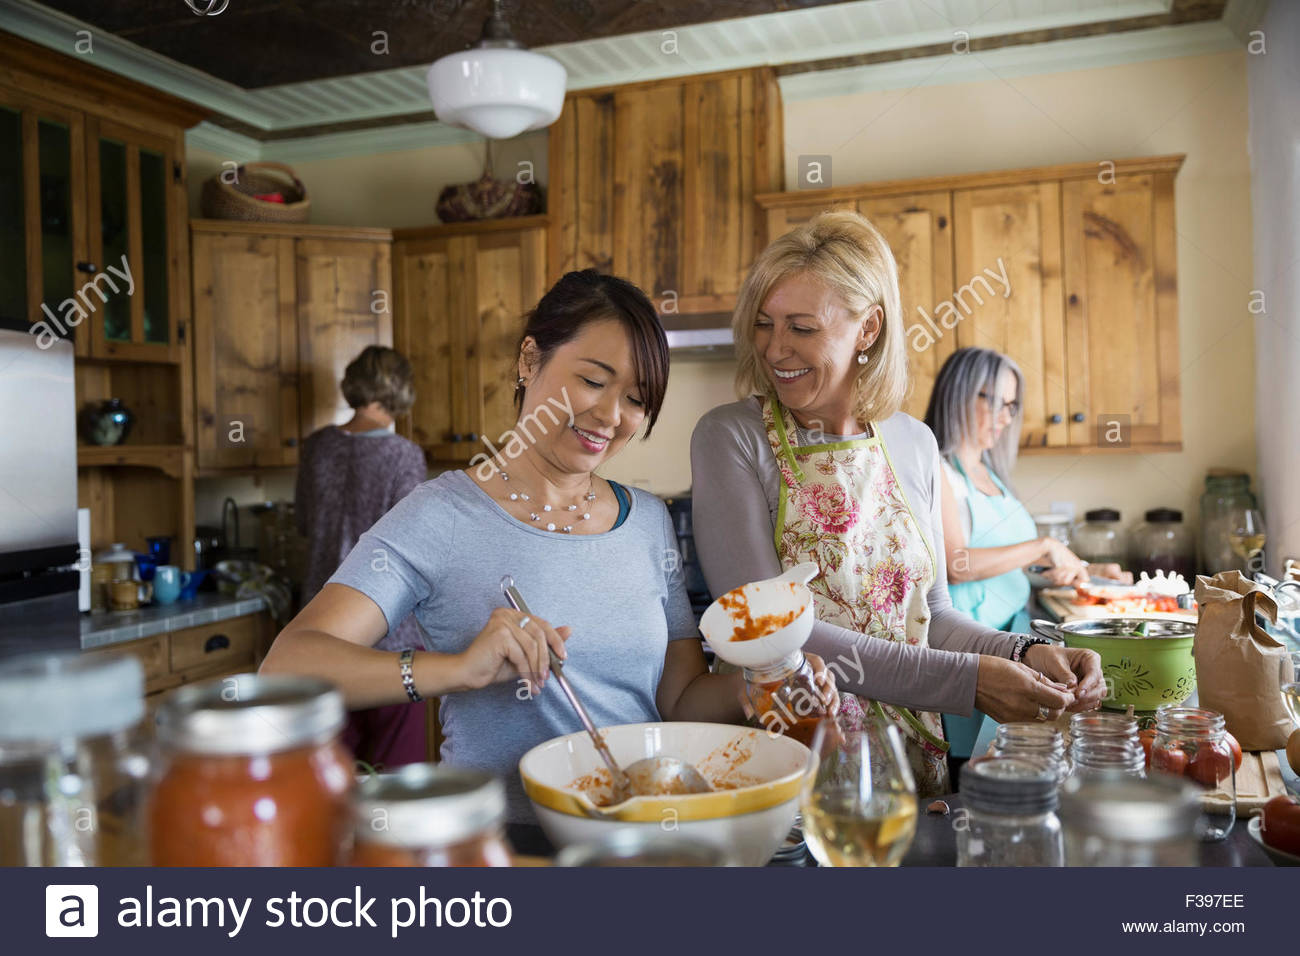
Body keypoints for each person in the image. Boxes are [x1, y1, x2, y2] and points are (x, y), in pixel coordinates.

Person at [264, 270, 837, 822]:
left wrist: (760, 686)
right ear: (529, 359)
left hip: (638, 837)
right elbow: (287, 668)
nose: (611, 415)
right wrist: (457, 669)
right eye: (592, 380)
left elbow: (678, 698)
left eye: (637, 399)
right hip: (506, 849)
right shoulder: (439, 515)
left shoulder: (648, 522)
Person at [690, 210, 1104, 797]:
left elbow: (930, 619)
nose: (775, 349)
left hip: (908, 759)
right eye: (763, 324)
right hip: (789, 757)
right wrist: (969, 682)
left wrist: (1028, 652)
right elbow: (771, 642)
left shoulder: (912, 441)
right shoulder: (731, 437)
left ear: (868, 328)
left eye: (802, 328)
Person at [924, 347, 1130, 764]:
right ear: (957, 394)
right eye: (993, 400)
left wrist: (1085, 570)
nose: (1005, 416)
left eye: (1011, 405)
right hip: (973, 649)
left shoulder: (992, 475)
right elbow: (958, 565)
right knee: (976, 771)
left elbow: (1008, 568)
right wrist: (1043, 545)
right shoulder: (938, 469)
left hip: (1016, 639)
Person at [295, 345, 428, 769]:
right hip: (392, 638)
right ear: (400, 391)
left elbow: (302, 523)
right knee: (395, 777)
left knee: (334, 777)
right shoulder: (403, 455)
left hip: (322, 630)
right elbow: (417, 548)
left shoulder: (316, 448)